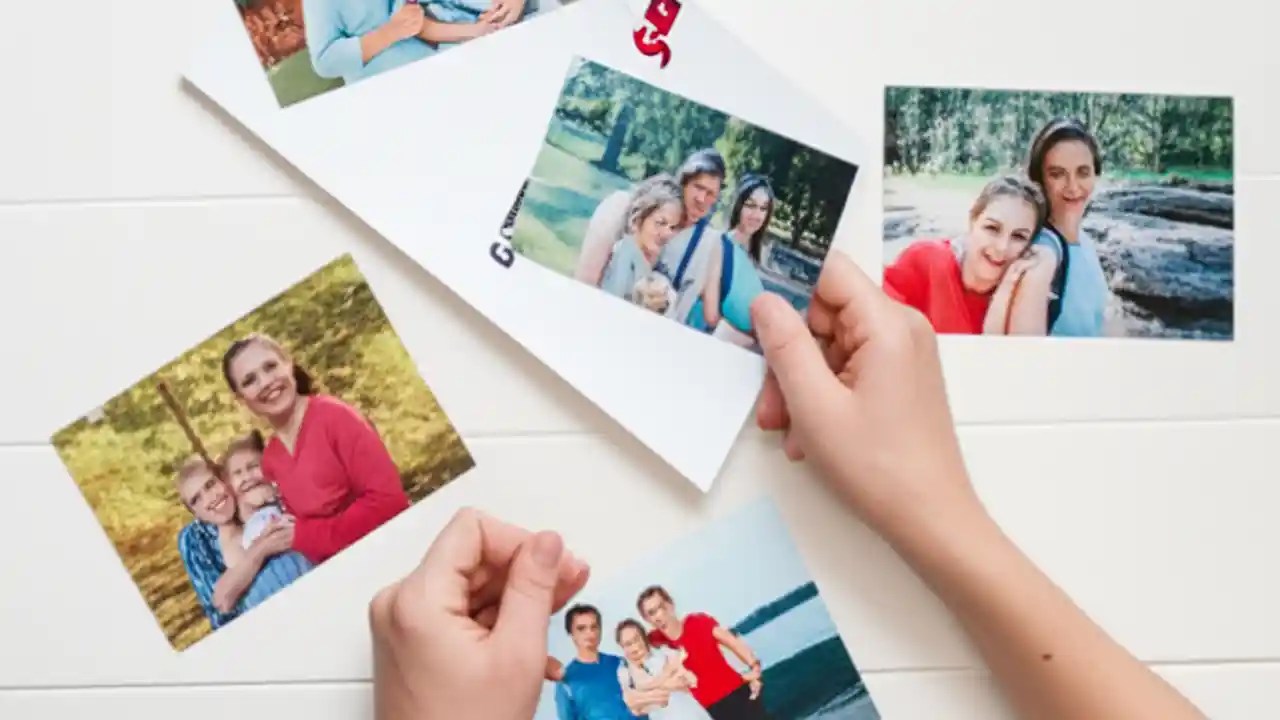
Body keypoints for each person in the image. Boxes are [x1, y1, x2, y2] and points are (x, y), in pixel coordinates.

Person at [366, 247, 1208, 720]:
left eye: (641, 616)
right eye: (636, 621)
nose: (643, 623)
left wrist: (743, 666)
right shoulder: (627, 659)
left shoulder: (680, 627)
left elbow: (700, 661)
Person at [221, 333, 411, 565]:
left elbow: (388, 502)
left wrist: (305, 536)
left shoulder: (335, 417)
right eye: (250, 380)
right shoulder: (271, 458)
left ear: (288, 363)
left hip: (394, 551)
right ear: (241, 399)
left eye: (270, 366)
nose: (266, 382)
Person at [576, 149, 727, 325]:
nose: (702, 198)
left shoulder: (707, 244)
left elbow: (699, 315)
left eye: (710, 194)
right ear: (683, 182)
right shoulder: (621, 208)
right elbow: (584, 284)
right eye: (698, 187)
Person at [883, 174, 1046, 335]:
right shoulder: (925, 260)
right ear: (972, 221)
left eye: (1018, 237)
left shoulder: (1021, 297)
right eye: (992, 228)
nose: (1002, 247)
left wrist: (1005, 291)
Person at [1004, 118, 1111, 337]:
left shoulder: (1086, 242)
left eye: (1083, 172)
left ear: (1095, 174)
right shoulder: (1042, 256)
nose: (1073, 187)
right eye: (1057, 174)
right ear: (1039, 180)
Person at [173, 455, 300, 629]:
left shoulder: (257, 496)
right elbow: (221, 609)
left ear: (224, 479)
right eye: (196, 500)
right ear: (195, 513)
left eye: (211, 485)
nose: (210, 499)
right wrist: (262, 548)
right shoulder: (196, 539)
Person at [638, 587, 767, 720]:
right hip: (708, 711)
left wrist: (755, 668)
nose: (659, 616)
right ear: (647, 619)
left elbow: (732, 642)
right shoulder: (654, 643)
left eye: (661, 607)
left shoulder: (698, 622)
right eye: (651, 613)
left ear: (670, 604)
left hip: (738, 695)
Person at [219, 431, 315, 610]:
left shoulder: (287, 498)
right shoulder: (237, 534)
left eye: (253, 466)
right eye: (238, 473)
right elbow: (225, 597)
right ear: (230, 485)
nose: (247, 477)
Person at [689, 175, 772, 347]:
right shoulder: (719, 245)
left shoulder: (756, 256)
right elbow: (709, 312)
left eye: (763, 209)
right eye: (750, 205)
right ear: (738, 205)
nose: (757, 215)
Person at [553, 604, 666, 719]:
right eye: (581, 628)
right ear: (571, 633)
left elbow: (646, 700)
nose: (589, 633)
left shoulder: (621, 664)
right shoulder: (566, 680)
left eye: (594, 627)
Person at [599, 175, 684, 304]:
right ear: (637, 220)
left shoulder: (652, 265)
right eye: (660, 223)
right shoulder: (625, 252)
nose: (667, 233)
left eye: (672, 227)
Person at [616, 618, 713, 720]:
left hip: (691, 714)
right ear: (622, 647)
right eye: (628, 644)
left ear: (643, 636)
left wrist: (644, 689)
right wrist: (668, 673)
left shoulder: (666, 653)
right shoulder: (625, 672)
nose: (635, 646)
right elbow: (635, 708)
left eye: (636, 639)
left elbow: (688, 681)